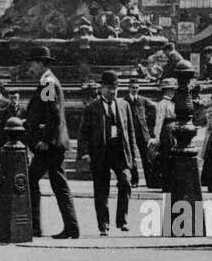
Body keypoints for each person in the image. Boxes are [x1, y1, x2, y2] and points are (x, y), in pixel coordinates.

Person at [77, 70, 149, 234]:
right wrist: (85, 153)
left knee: (125, 182)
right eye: (109, 88)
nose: (112, 91)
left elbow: (130, 131)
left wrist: (132, 152)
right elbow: (82, 133)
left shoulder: (124, 105)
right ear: (101, 88)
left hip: (120, 152)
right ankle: (103, 225)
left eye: (115, 88)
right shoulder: (92, 108)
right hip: (100, 153)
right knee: (101, 190)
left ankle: (122, 221)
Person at [23, 46, 76, 238]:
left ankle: (36, 226)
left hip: (50, 145)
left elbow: (51, 115)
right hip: (55, 143)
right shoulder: (47, 81)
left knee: (30, 180)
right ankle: (71, 226)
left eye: (32, 63)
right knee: (59, 185)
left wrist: (44, 139)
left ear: (39, 63)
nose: (30, 67)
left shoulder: (47, 82)